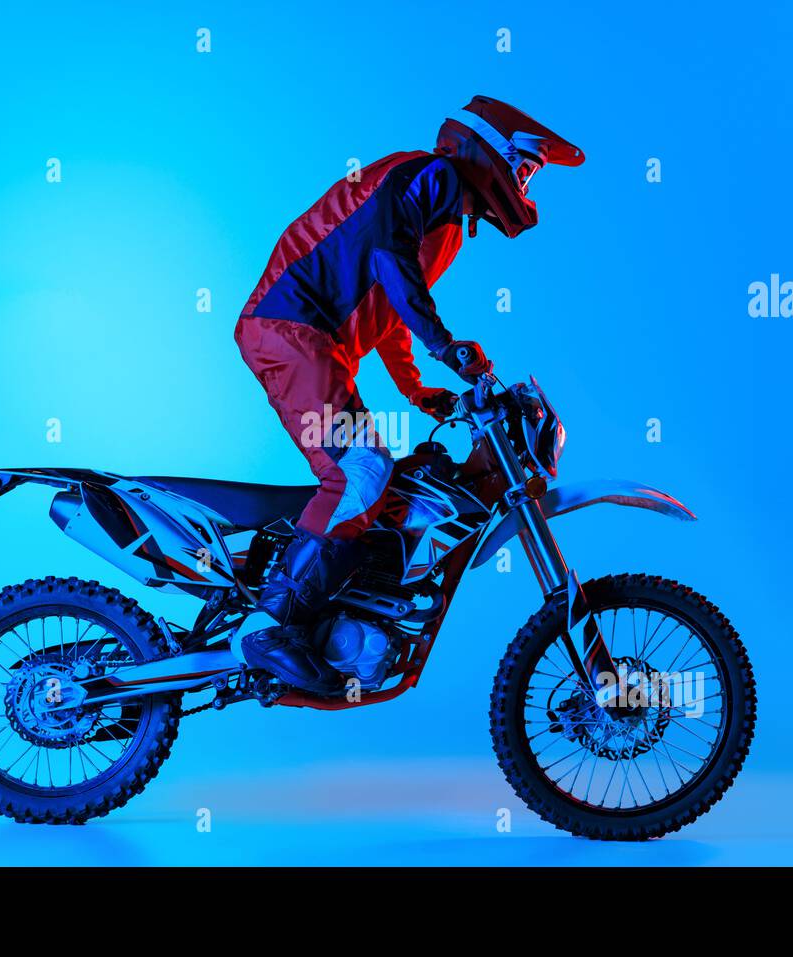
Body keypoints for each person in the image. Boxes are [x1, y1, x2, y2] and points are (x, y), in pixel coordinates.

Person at [233, 95, 584, 692]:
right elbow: (390, 261)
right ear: (491, 150)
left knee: (391, 479)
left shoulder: (446, 225)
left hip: (317, 343)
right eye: (524, 165)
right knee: (359, 468)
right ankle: (268, 626)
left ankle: (330, 614)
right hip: (293, 329)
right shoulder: (434, 175)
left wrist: (422, 390)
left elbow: (392, 310)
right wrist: (445, 346)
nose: (526, 181)